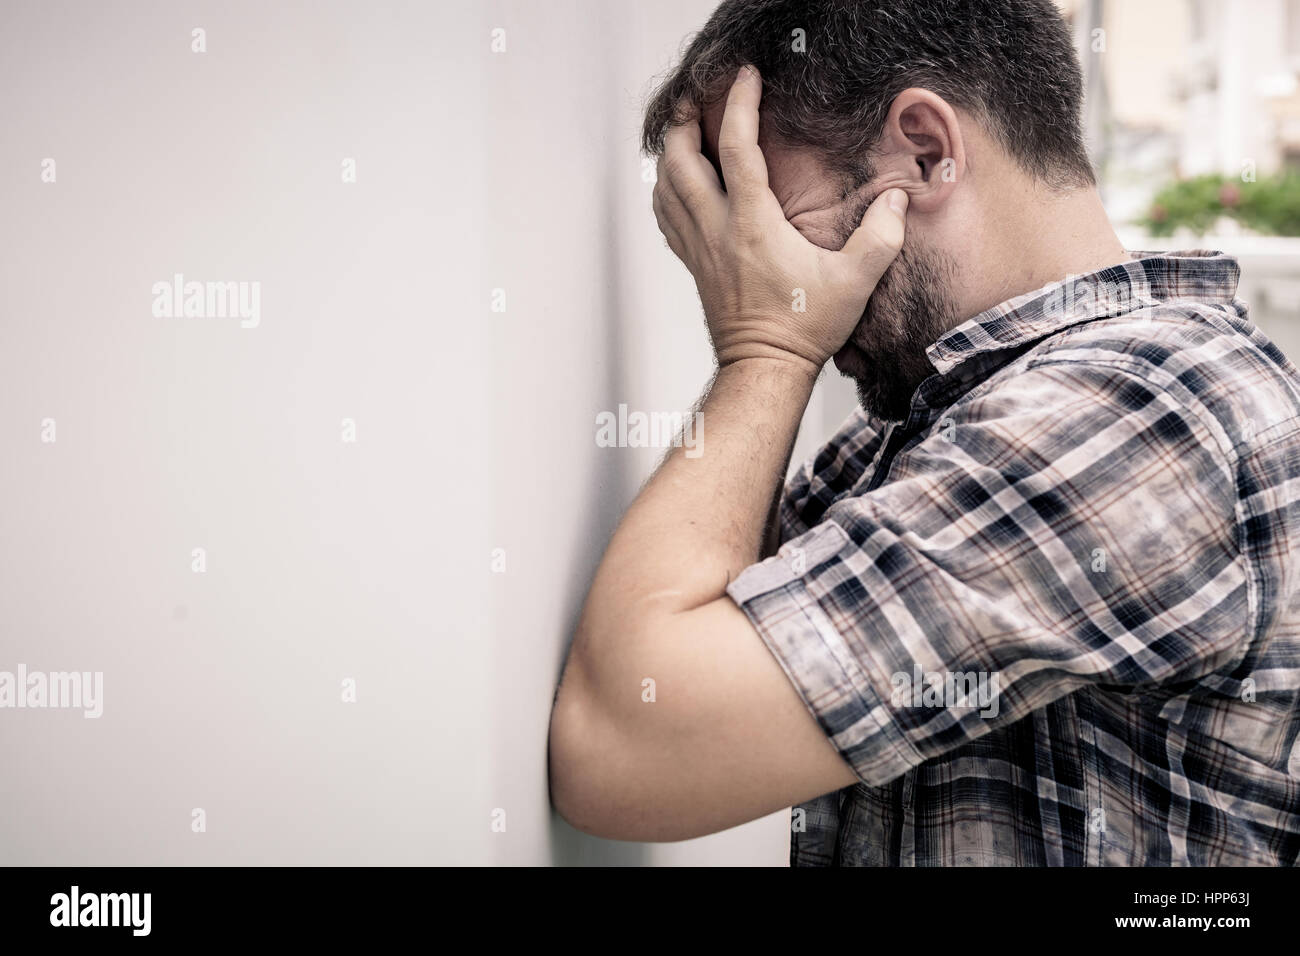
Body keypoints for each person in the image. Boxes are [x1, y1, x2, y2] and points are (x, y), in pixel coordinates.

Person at [548, 0, 1300, 865]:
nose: (762, 271)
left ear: (926, 151)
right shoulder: (907, 445)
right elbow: (700, 642)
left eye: (776, 226)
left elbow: (621, 749)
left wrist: (768, 344)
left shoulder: (1140, 413)